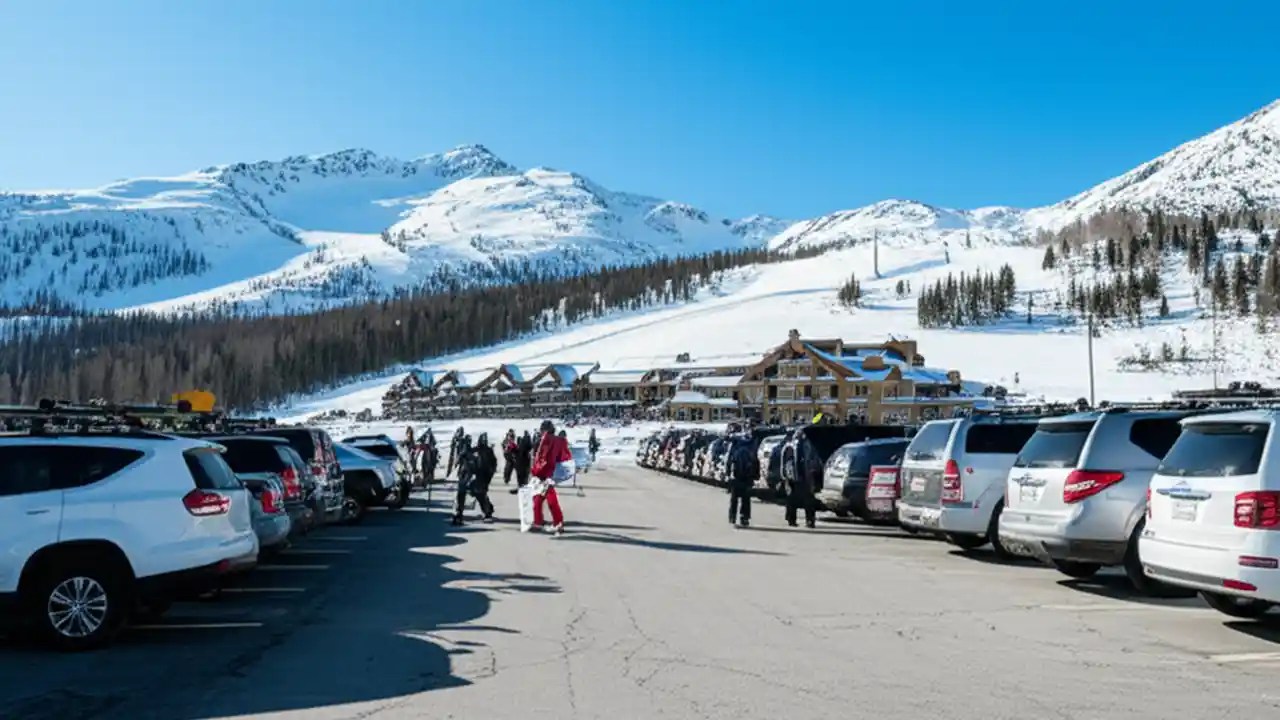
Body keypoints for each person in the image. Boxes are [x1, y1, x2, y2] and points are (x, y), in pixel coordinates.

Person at [530, 420, 571, 534]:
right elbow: (565, 456)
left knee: (548, 499)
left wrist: (535, 471)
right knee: (539, 499)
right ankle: (540, 521)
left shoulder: (547, 440)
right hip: (549, 473)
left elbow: (542, 458)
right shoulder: (558, 441)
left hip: (544, 474)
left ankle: (557, 523)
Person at [784, 433, 818, 529]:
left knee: (794, 499)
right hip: (802, 476)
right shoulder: (808, 445)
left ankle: (793, 519)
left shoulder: (791, 445)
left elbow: (786, 462)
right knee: (806, 499)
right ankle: (808, 520)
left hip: (797, 476)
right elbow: (813, 460)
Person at [727, 437, 755, 528]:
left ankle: (732, 517)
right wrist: (755, 477)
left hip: (736, 479)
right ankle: (744, 518)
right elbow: (756, 464)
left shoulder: (735, 452)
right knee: (746, 500)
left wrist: (728, 475)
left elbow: (729, 464)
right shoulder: (750, 453)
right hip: (747, 480)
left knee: (734, 500)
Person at [511, 430, 533, 494]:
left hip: (522, 462)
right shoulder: (524, 445)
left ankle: (523, 489)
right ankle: (521, 488)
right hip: (521, 462)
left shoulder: (525, 446)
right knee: (522, 477)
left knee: (523, 477)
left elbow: (526, 448)